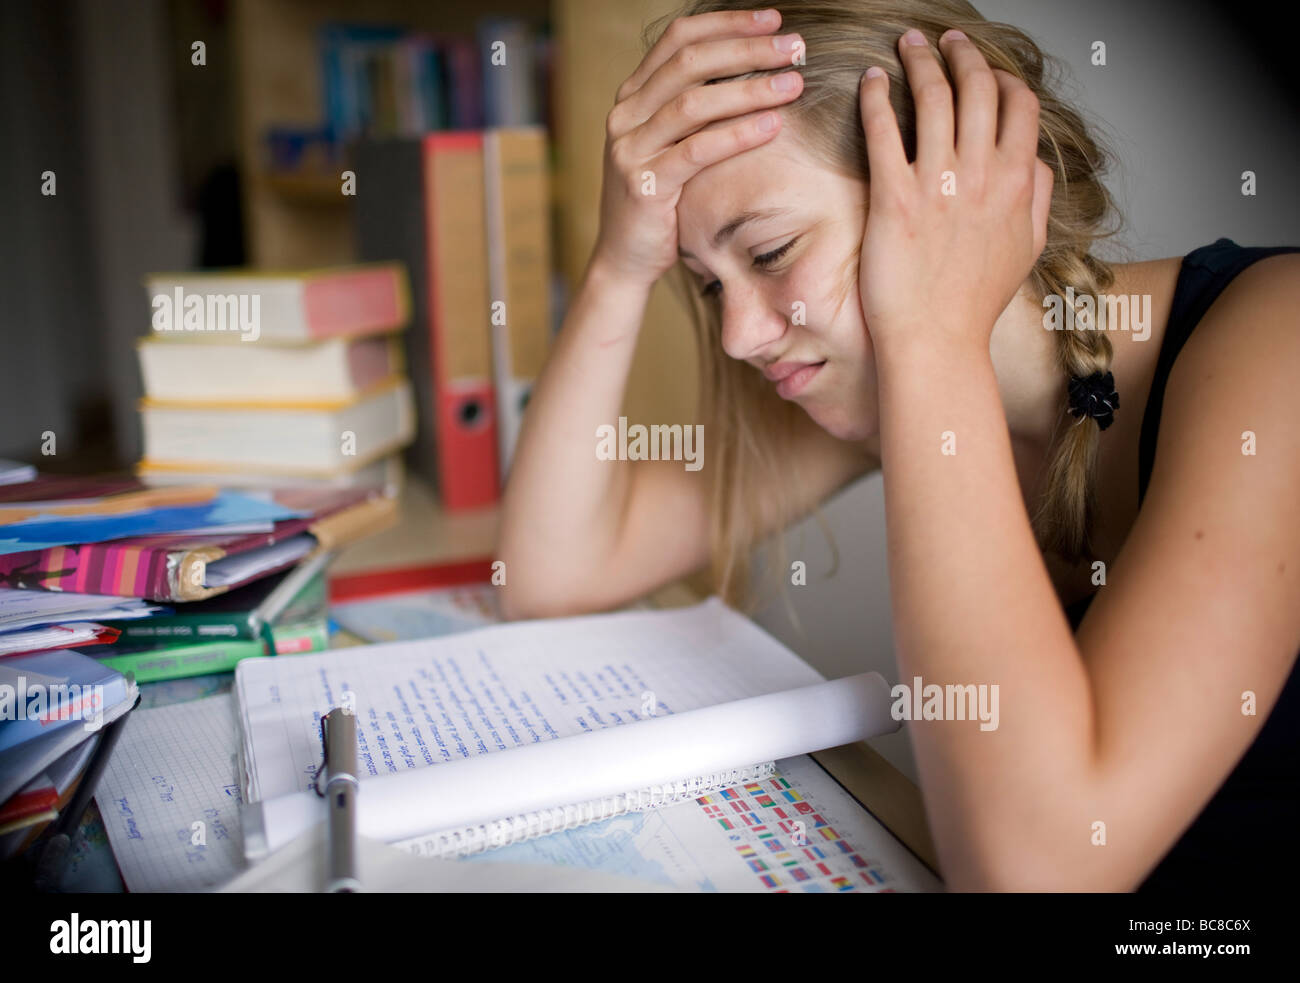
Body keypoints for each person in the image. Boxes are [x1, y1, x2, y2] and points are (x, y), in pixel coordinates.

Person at [497, 0, 1300, 891]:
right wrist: (621, 261)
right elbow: (548, 570)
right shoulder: (890, 393)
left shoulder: (1278, 339)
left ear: (947, 185)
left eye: (769, 254)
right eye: (707, 286)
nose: (737, 337)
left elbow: (1040, 870)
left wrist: (931, 330)